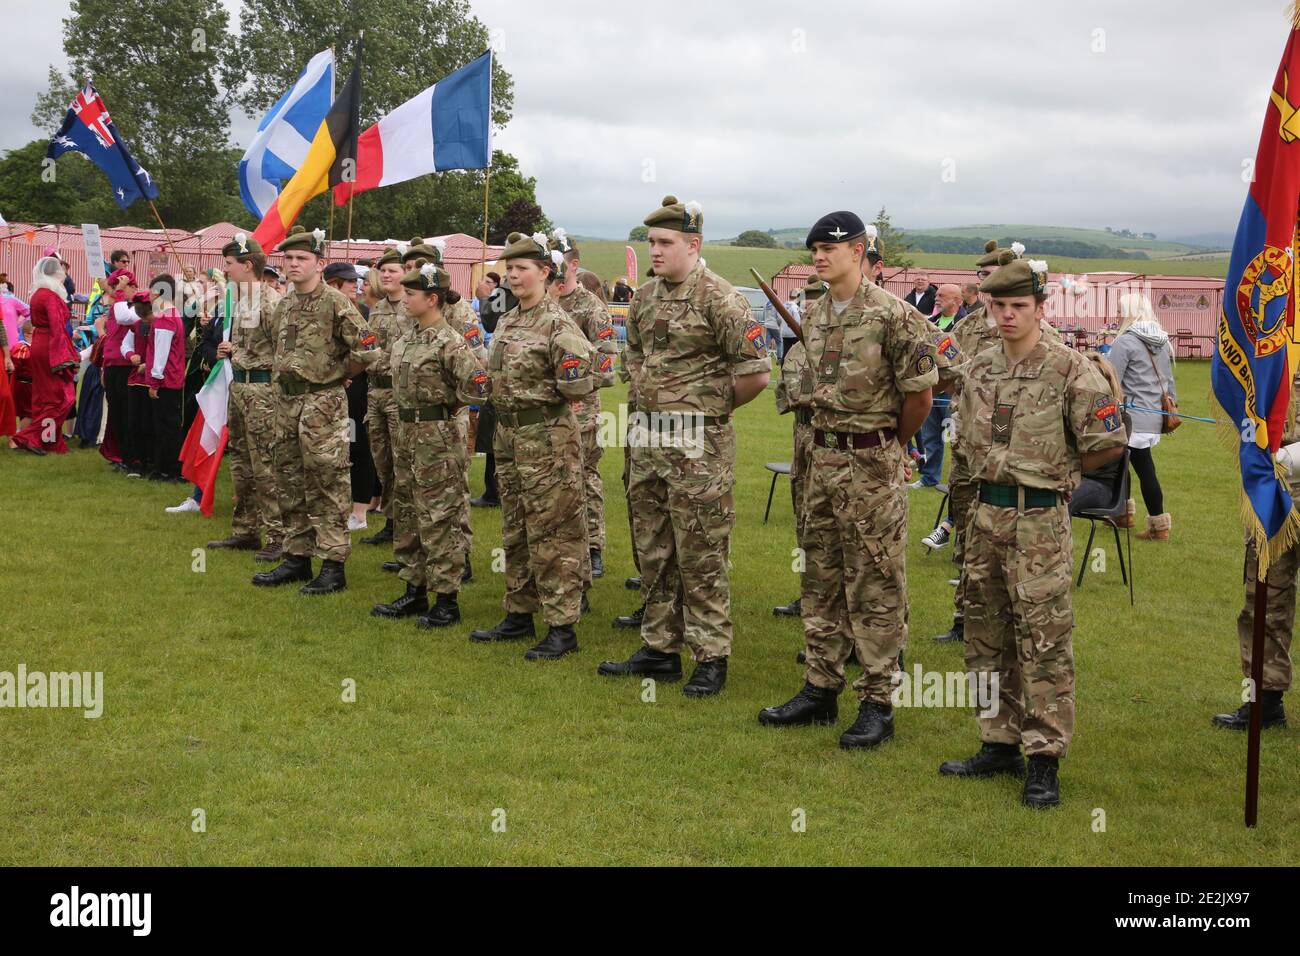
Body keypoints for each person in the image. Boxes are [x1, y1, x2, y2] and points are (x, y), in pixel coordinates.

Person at [938, 255, 1126, 809]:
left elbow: (1108, 443)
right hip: (985, 515)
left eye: (1019, 306)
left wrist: (1054, 473)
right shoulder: (981, 368)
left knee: (1043, 637)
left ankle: (1044, 755)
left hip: (1040, 518)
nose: (1007, 316)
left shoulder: (1071, 369)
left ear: (1041, 308)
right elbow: (982, 440)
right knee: (985, 632)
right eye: (998, 306)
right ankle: (997, 741)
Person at [757, 211, 936, 746]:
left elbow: (920, 397)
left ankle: (878, 701)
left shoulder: (894, 317)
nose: (818, 256)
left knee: (875, 582)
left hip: (870, 465)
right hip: (818, 460)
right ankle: (820, 687)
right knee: (820, 576)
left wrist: (886, 447)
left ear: (858, 252)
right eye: (813, 249)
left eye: (828, 249)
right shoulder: (814, 315)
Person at [598, 196, 770, 697]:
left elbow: (756, 374)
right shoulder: (645, 297)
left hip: (698, 447)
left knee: (702, 551)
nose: (655, 250)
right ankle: (660, 647)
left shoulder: (721, 298)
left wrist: (707, 414)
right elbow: (633, 357)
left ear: (693, 245)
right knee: (653, 547)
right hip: (646, 440)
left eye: (665, 242)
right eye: (650, 241)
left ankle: (711, 655)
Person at [468, 232, 594, 661]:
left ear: (546, 272)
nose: (514, 276)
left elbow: (578, 381)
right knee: (516, 525)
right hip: (510, 436)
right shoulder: (508, 320)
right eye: (509, 269)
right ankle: (519, 611)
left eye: (522, 269)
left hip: (547, 438)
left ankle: (562, 626)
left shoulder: (558, 323)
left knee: (553, 530)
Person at [251, 227, 378, 595]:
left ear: (319, 264)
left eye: (301, 259)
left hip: (323, 403)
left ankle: (333, 563)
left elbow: (368, 349)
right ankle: (297, 555)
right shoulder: (285, 304)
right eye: (288, 259)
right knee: (289, 477)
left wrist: (340, 374)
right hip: (287, 401)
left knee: (328, 479)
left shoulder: (337, 303)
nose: (293, 264)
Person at [372, 263, 490, 628]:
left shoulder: (449, 340)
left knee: (440, 516)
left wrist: (451, 406)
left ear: (432, 298)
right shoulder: (408, 337)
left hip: (437, 438)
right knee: (408, 511)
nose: (405, 300)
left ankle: (446, 600)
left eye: (411, 295)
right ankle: (414, 588)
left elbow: (479, 386)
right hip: (406, 435)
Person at [1212, 371, 1300, 731]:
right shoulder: (1277, 357)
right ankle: (1264, 701)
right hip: (1275, 495)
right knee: (1264, 602)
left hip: (1287, 472)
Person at [206, 233, 285, 561]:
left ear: (247, 265)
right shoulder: (238, 299)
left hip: (263, 390)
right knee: (240, 460)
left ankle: (278, 535)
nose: (225, 269)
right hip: (238, 386)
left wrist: (241, 352)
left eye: (229, 263)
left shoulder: (271, 302)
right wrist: (229, 350)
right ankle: (245, 530)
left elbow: (284, 349)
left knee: (266, 463)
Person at [551, 228, 618, 581]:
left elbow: (608, 364)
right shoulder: (542, 304)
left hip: (581, 411)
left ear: (574, 264)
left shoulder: (591, 308)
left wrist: (577, 382)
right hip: (547, 411)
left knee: (585, 477)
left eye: (560, 264)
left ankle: (593, 548)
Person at [772, 274, 825, 619]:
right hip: (802, 439)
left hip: (829, 440)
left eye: (815, 304)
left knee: (827, 524)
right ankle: (808, 593)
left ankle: (829, 599)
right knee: (803, 520)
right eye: (806, 305)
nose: (809, 310)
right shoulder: (796, 353)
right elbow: (786, 396)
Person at [1105, 293, 1175, 541]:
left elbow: (1112, 381)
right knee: (1123, 463)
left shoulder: (1125, 342)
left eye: (1120, 309)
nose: (1117, 314)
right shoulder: (1162, 341)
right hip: (1154, 416)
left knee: (1144, 469)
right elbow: (1169, 382)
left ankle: (1158, 526)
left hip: (1134, 417)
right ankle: (1123, 513)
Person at [359, 247, 407, 551]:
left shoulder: (414, 307)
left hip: (400, 393)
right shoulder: (376, 310)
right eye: (383, 270)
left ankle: (404, 525)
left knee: (402, 461)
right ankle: (391, 522)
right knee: (383, 461)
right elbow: (368, 345)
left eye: (393, 270)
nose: (386, 275)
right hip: (375, 392)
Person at [10, 258, 78, 455]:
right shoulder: (50, 296)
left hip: (40, 343)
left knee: (43, 395)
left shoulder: (38, 294)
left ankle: (47, 440)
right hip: (50, 345)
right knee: (61, 396)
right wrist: (67, 357)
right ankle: (30, 437)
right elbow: (58, 328)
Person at [1068, 353, 1129, 515]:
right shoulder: (1071, 415)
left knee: (1061, 499)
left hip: (1100, 484)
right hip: (1073, 477)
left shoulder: (1121, 419)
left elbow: (1107, 455)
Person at [139, 277, 186, 481]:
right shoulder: (173, 314)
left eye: (151, 293)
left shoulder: (164, 318)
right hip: (172, 378)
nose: (149, 297)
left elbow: (161, 353)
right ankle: (168, 467)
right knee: (169, 426)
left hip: (166, 380)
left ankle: (167, 468)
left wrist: (155, 381)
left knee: (165, 427)